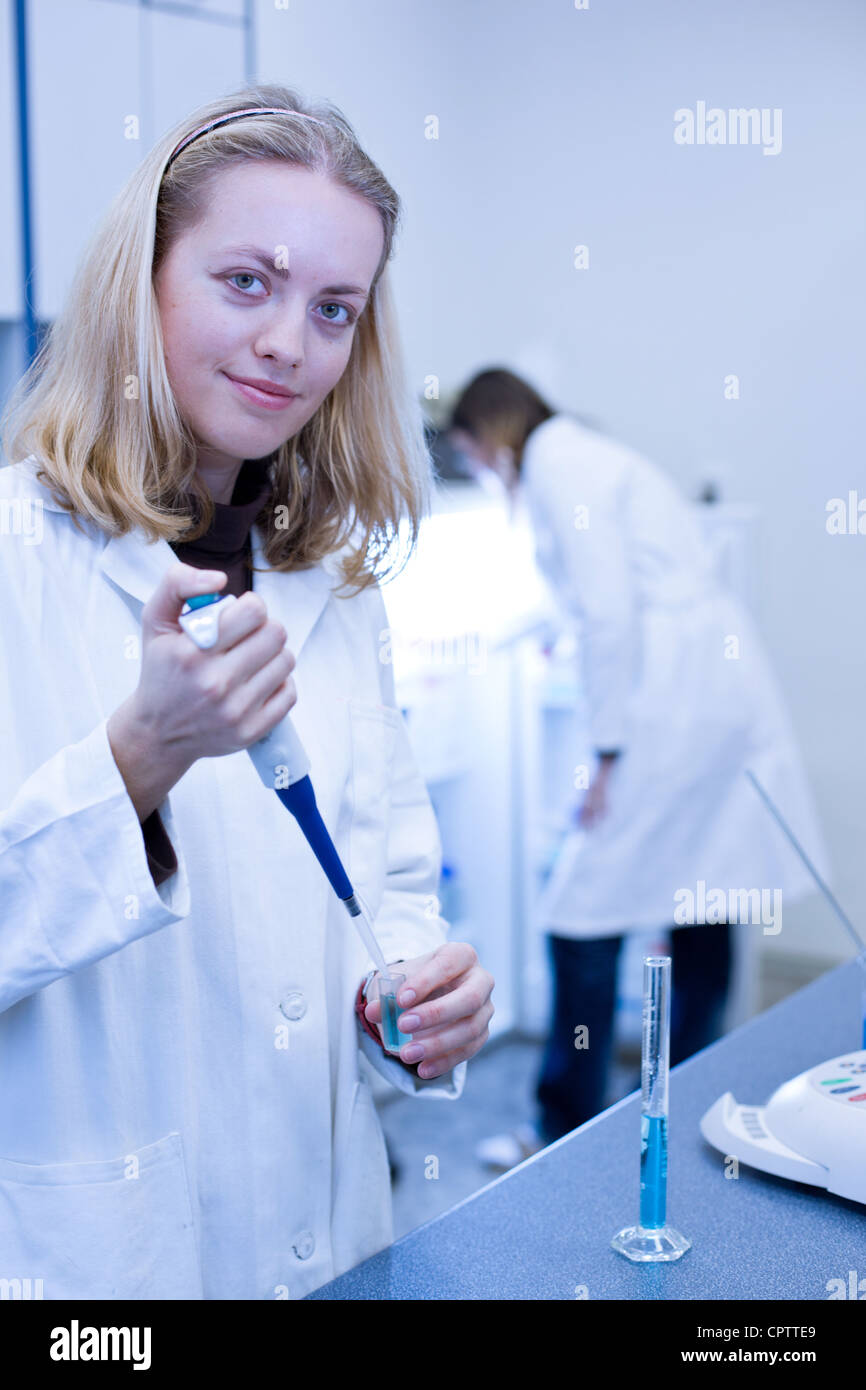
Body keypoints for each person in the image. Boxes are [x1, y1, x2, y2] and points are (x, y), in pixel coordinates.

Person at [0, 85, 494, 1300]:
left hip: (329, 1236)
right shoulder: (18, 563)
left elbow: (379, 882)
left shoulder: (331, 582)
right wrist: (138, 761)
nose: (291, 342)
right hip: (100, 1273)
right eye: (245, 282)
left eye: (334, 308)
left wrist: (421, 1000)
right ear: (143, 283)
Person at [448, 368, 827, 1158]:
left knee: (581, 914)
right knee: (704, 896)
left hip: (669, 706)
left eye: (475, 455)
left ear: (491, 431)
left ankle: (564, 1123)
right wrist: (495, 636)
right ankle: (681, 1101)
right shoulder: (582, 452)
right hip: (709, 691)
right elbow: (590, 597)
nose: (483, 471)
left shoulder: (555, 464)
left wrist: (608, 752)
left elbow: (609, 613)